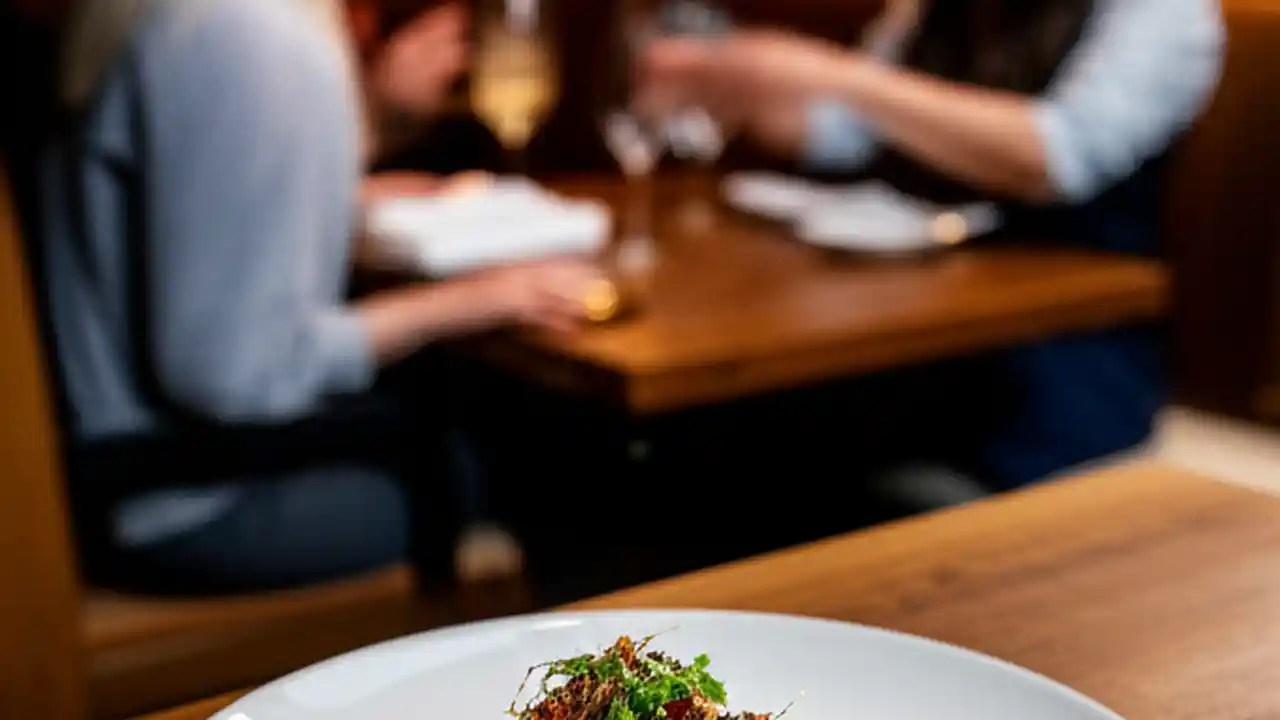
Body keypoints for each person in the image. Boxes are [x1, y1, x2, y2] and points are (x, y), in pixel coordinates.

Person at [43, 0, 604, 592]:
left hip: (126, 475)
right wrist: (466, 302)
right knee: (546, 470)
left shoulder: (220, 22)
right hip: (179, 501)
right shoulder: (262, 41)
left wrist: (343, 198)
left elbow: (191, 208)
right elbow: (231, 378)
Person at [640, 0, 1224, 491]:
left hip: (1058, 352)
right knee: (694, 445)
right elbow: (843, 135)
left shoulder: (1162, 11)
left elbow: (1055, 157)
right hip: (900, 329)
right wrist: (736, 82)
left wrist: (833, 74)